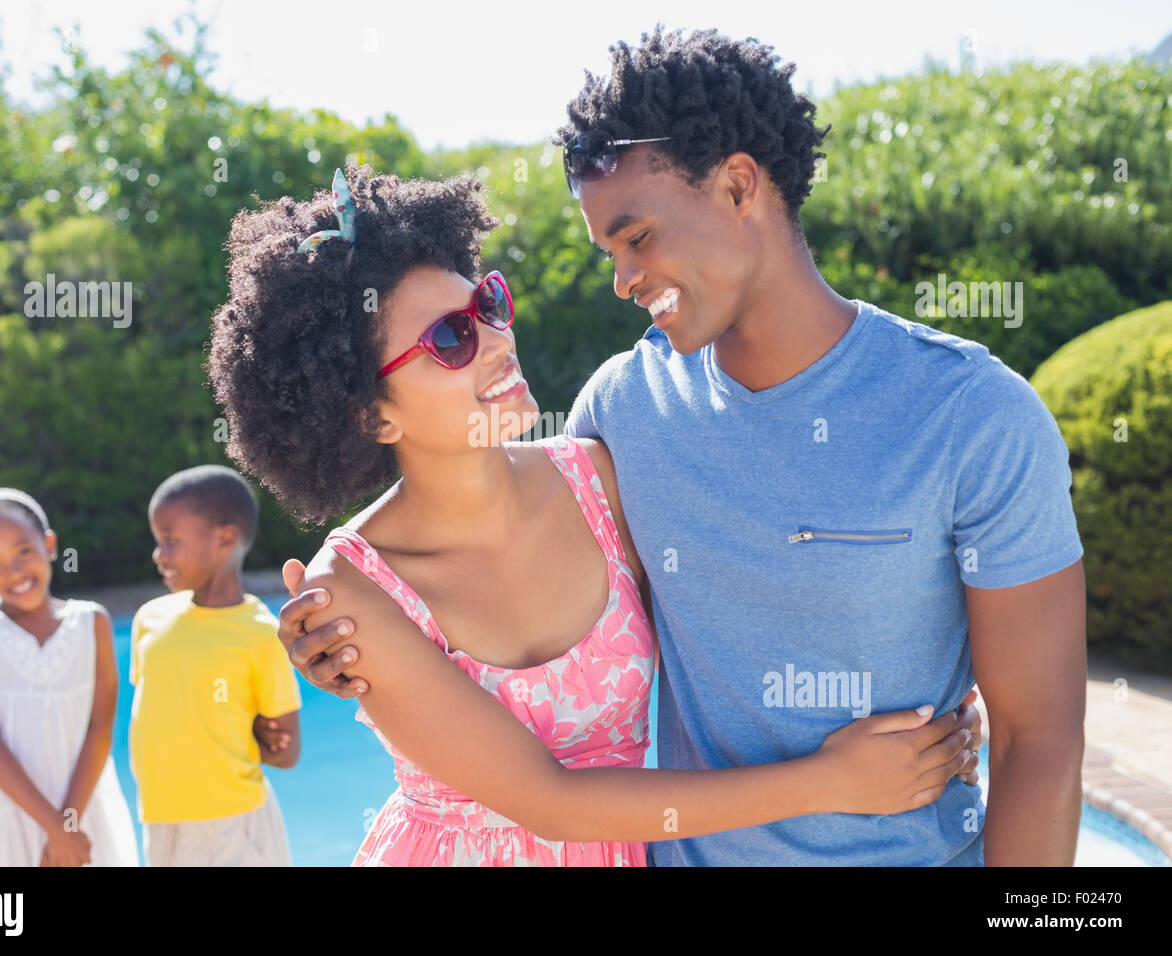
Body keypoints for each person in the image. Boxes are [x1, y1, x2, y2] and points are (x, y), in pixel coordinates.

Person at [290, 27, 1087, 867]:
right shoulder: (620, 418)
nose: (622, 279)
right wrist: (342, 644)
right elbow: (484, 553)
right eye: (608, 251)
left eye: (637, 238)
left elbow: (1041, 740)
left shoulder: (976, 417)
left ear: (740, 185)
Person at [207, 164, 981, 866]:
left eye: (487, 304)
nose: (495, 339)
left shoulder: (598, 476)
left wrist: (926, 695)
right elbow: (549, 803)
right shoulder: (354, 596)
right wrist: (833, 782)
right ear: (371, 415)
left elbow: (754, 599)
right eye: (450, 339)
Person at [0, 488, 138, 866]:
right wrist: (55, 829)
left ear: (50, 544)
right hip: (1, 813)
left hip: (81, 810)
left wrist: (68, 824)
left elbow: (99, 728)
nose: (14, 572)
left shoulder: (93, 622)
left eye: (23, 552)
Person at [129, 465, 303, 866]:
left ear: (225, 539)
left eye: (170, 541)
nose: (159, 555)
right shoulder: (149, 619)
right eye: (158, 542)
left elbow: (287, 751)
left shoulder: (260, 634)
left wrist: (251, 731)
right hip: (161, 820)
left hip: (234, 822)